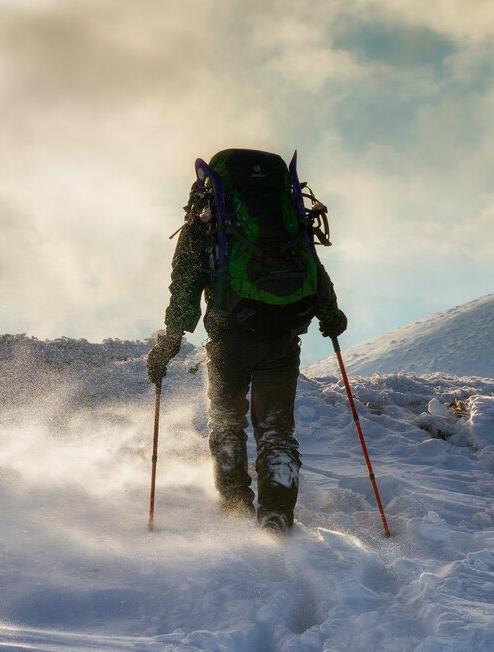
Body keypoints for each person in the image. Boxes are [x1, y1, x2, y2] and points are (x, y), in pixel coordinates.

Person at [147, 148, 348, 535]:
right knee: (276, 432)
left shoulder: (206, 222)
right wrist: (330, 313)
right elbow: (313, 267)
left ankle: (236, 510)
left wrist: (170, 342)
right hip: (283, 336)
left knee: (226, 421)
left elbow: (185, 289)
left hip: (229, 338)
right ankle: (276, 516)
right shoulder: (288, 218)